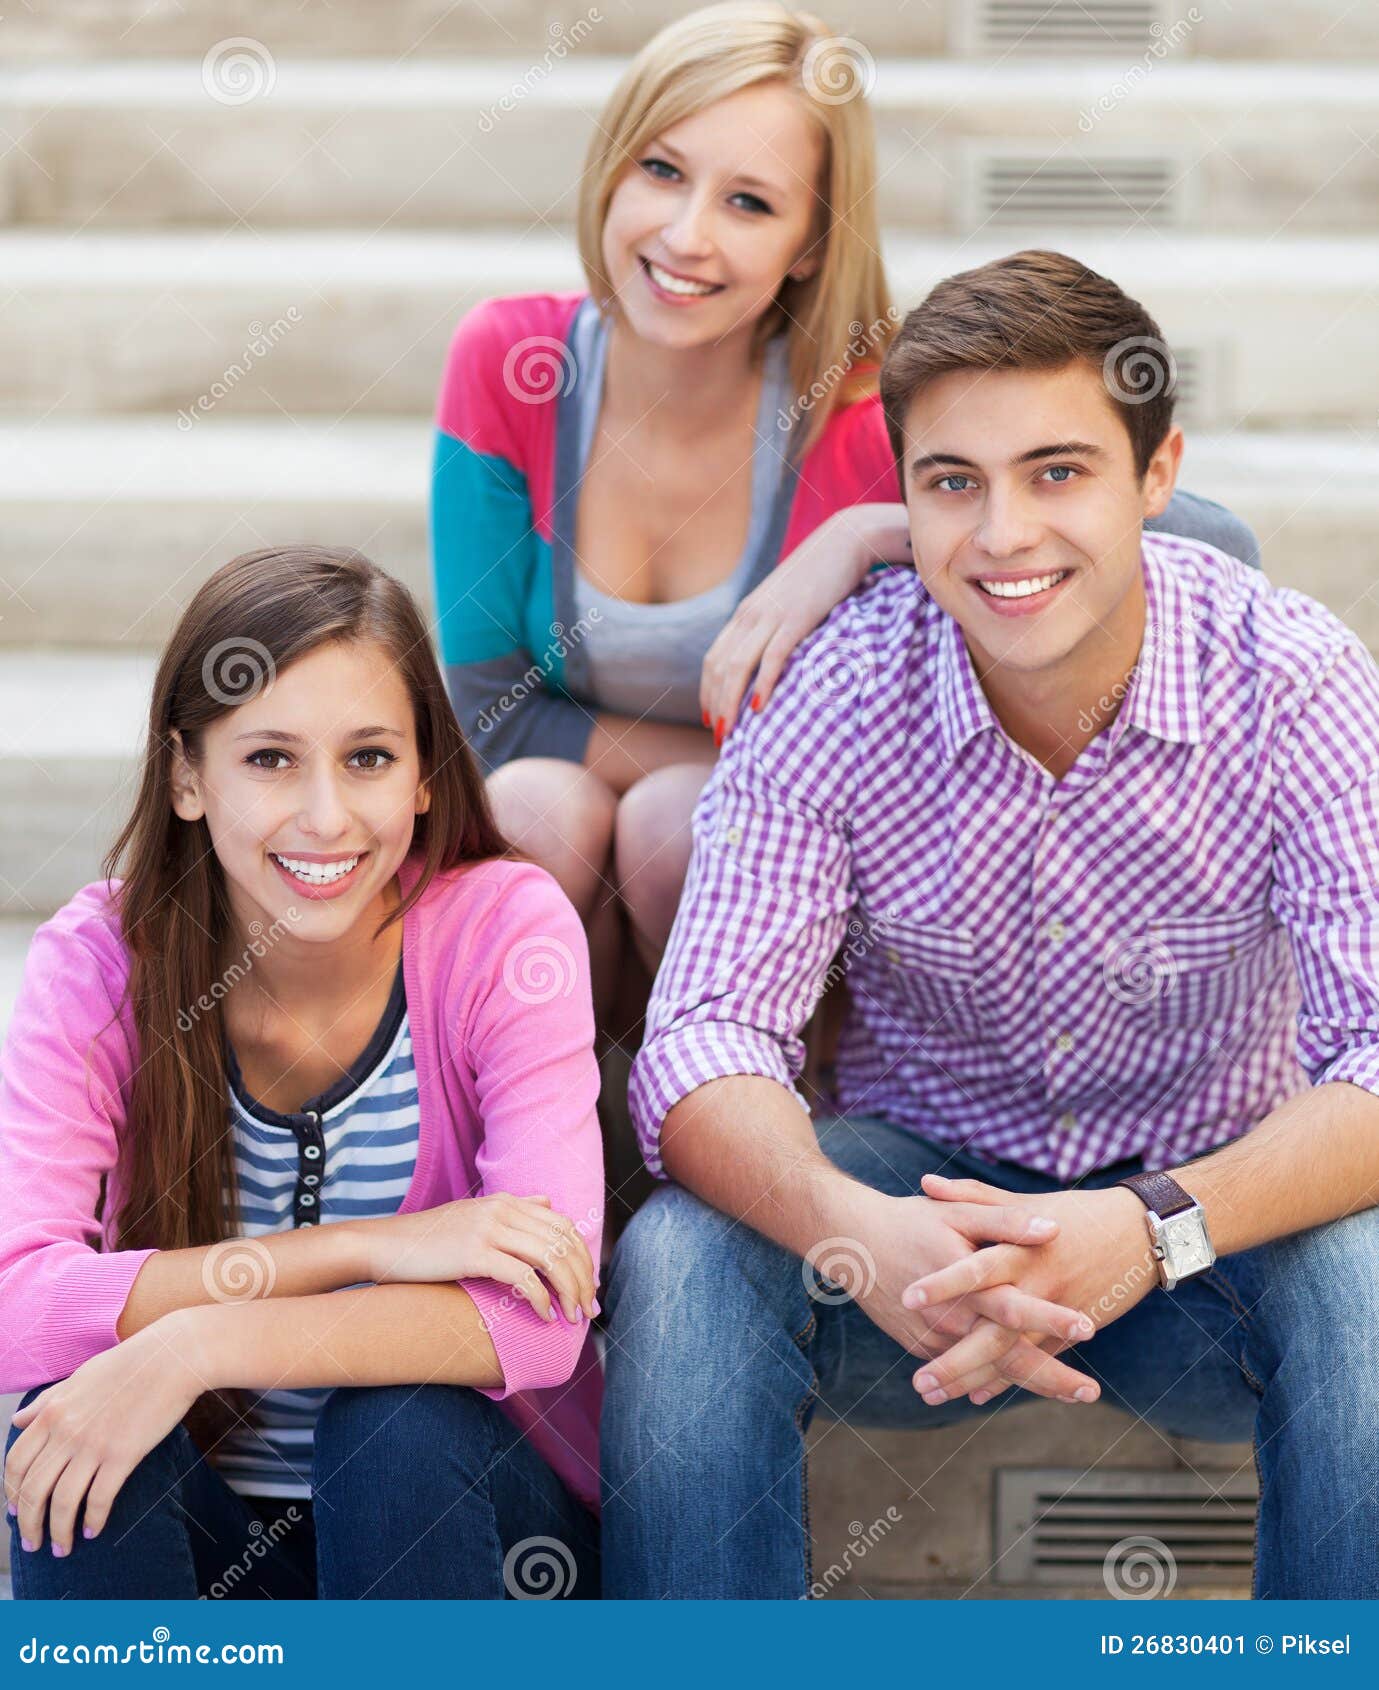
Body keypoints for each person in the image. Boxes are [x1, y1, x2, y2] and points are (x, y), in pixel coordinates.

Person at [601, 249, 1379, 1600]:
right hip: (915, 1250)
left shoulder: (1291, 680)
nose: (1002, 533)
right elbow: (703, 1035)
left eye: (1057, 471)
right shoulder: (838, 683)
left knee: (1362, 1279)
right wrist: (852, 1223)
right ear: (898, 500)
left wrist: (1148, 1227)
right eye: (952, 483)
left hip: (1201, 1243)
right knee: (679, 1254)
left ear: (1156, 475)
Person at [429, 1, 1255, 1060]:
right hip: (580, 811)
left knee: (677, 820)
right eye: (661, 171)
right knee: (538, 807)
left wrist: (867, 526)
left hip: (788, 859)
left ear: (811, 241)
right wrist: (713, 756)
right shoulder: (510, 361)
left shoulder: (858, 409)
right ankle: (552, 1153)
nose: (685, 236)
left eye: (748, 202)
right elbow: (489, 709)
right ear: (610, 169)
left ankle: (744, 1115)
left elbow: (1209, 541)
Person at [1, 547, 602, 1599]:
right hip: (213, 1532)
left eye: (367, 757)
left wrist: (196, 1343)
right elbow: (18, 1303)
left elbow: (536, 1317)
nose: (324, 816)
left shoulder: (503, 930)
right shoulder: (101, 961)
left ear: (423, 775)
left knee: (399, 1426)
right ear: (187, 775)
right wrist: (371, 1245)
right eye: (270, 758)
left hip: (464, 1531)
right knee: (76, 1410)